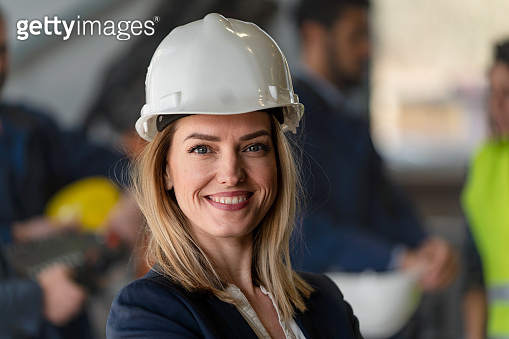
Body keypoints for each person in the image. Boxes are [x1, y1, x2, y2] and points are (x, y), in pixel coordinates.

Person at [107, 13, 362, 338]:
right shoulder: (148, 312)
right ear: (166, 170)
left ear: (277, 163)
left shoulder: (326, 302)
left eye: (253, 147)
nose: (231, 174)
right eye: (202, 149)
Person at [293, 0, 458, 290]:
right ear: (314, 35)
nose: (366, 50)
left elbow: (384, 201)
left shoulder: (350, 118)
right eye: (355, 36)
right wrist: (394, 258)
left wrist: (426, 244)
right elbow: (298, 225)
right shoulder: (286, 121)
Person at [461, 39, 509, 339]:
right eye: (493, 92)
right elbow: (474, 275)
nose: (498, 105)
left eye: (508, 93)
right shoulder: (482, 165)